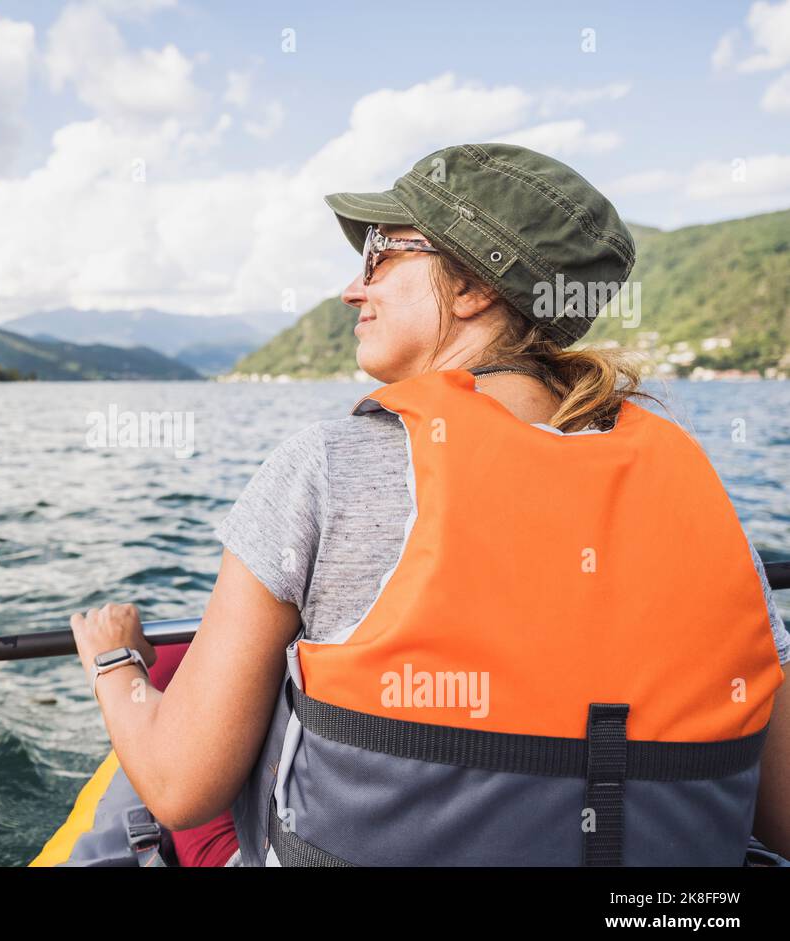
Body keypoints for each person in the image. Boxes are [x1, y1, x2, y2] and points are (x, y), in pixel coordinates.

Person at [68, 142, 790, 866]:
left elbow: (179, 785)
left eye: (381, 254)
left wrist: (113, 664)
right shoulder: (700, 497)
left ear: (473, 287)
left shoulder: (327, 466)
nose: (355, 288)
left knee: (165, 677)